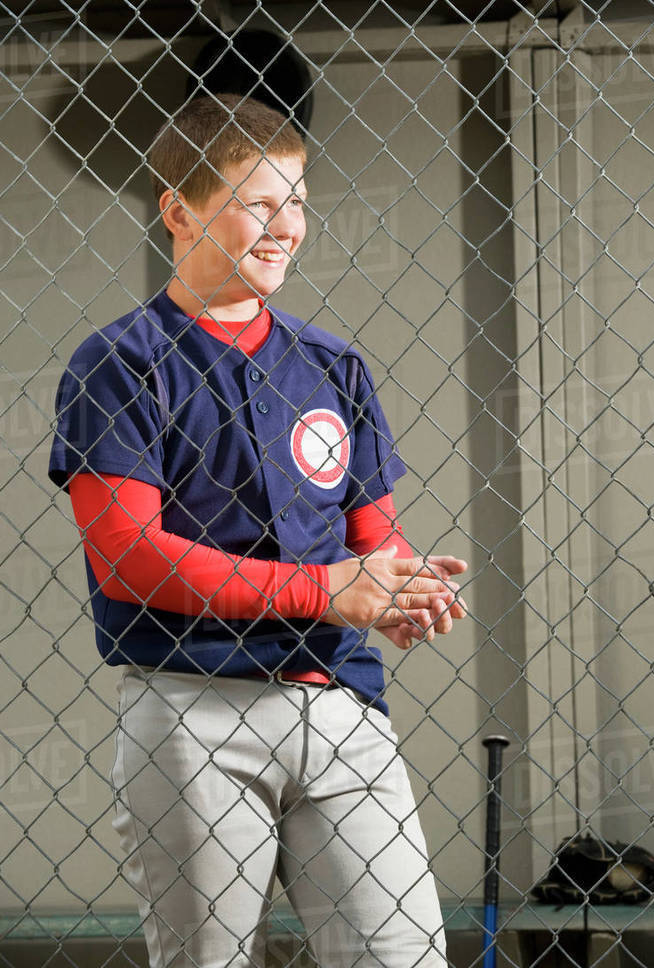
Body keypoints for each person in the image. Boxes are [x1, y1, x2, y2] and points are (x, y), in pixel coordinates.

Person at [49, 93, 467, 968]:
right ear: (178, 209)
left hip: (340, 705)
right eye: (259, 202)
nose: (287, 227)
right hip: (194, 707)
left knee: (405, 957)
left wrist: (397, 592)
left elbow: (371, 548)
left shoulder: (332, 364)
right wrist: (333, 591)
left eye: (300, 201)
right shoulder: (118, 362)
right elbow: (130, 561)